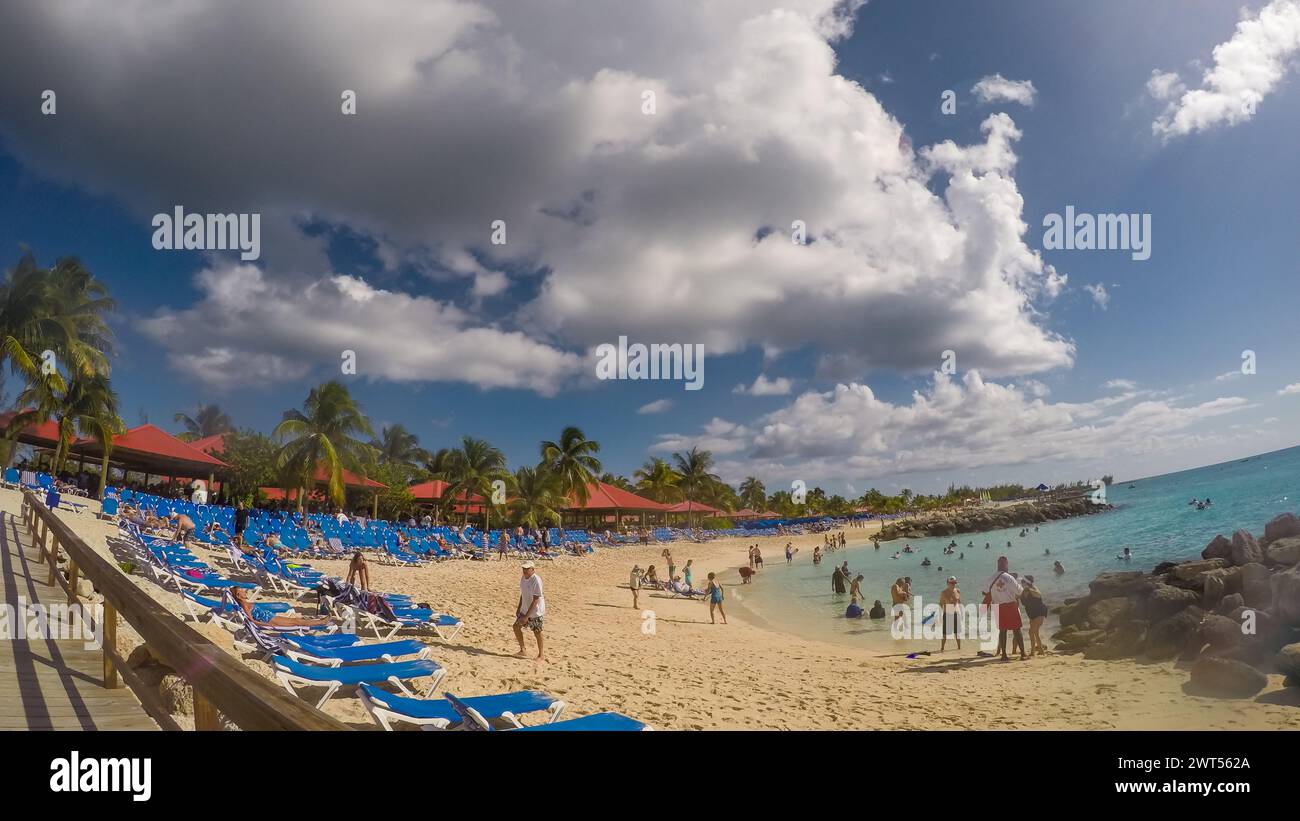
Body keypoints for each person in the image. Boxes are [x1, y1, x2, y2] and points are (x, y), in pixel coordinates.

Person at [985, 556, 1026, 661]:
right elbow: (1020, 592)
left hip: (998, 607)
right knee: (1017, 629)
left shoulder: (990, 579)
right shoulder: (1009, 577)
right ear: (1006, 564)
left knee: (1002, 631)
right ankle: (1023, 654)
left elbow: (986, 593)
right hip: (1010, 605)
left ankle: (1004, 655)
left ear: (997, 565)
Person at [230, 587, 330, 629]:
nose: (245, 591)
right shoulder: (244, 605)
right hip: (269, 620)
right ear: (238, 595)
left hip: (270, 616)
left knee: (296, 620)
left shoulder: (245, 603)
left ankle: (320, 620)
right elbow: (251, 620)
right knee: (297, 622)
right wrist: (266, 625)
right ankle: (321, 622)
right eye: (242, 591)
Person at [513, 561, 545, 660]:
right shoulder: (523, 578)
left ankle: (541, 655)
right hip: (525, 608)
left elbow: (536, 599)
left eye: (527, 569)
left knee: (537, 632)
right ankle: (523, 650)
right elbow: (523, 594)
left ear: (532, 569)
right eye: (523, 568)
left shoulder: (536, 580)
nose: (525, 570)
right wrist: (519, 608)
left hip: (535, 611)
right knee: (516, 627)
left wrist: (526, 617)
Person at [1022, 575, 1049, 657]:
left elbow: (1039, 595)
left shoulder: (1033, 588)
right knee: (1035, 632)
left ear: (1027, 583)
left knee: (1031, 631)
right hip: (1031, 614)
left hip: (1040, 612)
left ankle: (1032, 652)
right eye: (1021, 582)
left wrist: (1029, 589)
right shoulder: (1023, 592)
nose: (1022, 584)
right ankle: (1040, 650)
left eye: (1023, 582)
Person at [939, 576, 961, 652]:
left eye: (954, 583)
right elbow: (941, 604)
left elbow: (959, 602)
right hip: (947, 614)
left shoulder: (957, 591)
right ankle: (942, 649)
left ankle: (959, 649)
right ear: (947, 583)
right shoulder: (944, 593)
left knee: (957, 633)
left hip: (956, 614)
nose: (953, 584)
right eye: (951, 583)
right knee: (945, 634)